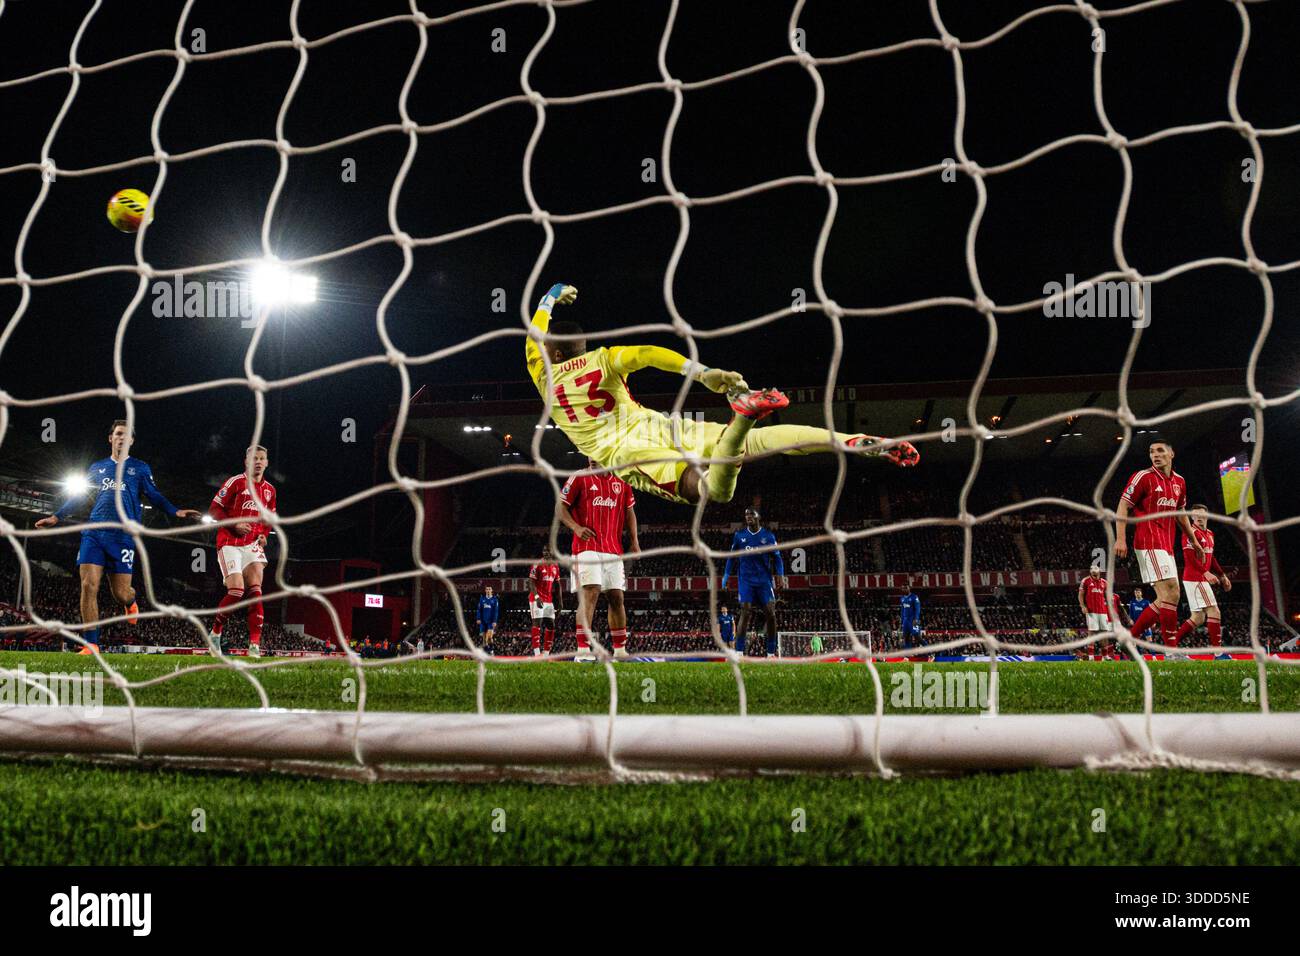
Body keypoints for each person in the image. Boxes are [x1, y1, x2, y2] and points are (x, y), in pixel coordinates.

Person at [523, 283, 918, 507]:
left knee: (714, 492)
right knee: (758, 445)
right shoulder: (604, 358)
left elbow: (533, 332)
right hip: (659, 424)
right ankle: (846, 441)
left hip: (626, 452)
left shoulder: (542, 374)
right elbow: (646, 355)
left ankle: (743, 416)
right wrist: (703, 373)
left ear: (554, 354)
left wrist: (550, 297)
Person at [35, 419, 200, 655]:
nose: (122, 438)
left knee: (121, 594)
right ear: (111, 438)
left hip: (123, 537)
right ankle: (91, 644)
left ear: (132, 441)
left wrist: (175, 511)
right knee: (88, 585)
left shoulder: (140, 468)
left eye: (127, 435)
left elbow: (154, 495)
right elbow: (80, 497)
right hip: (94, 533)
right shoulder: (98, 467)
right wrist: (57, 516)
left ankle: (131, 604)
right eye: (118, 433)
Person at [1114, 440, 1204, 647]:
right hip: (1147, 541)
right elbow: (1123, 505)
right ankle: (1171, 651)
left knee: (1167, 596)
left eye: (1160, 451)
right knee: (1172, 590)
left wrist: (1194, 541)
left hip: (1166, 545)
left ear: (1171, 454)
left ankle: (1128, 640)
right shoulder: (1143, 477)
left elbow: (1181, 514)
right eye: (1151, 451)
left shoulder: (1180, 482)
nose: (1155, 454)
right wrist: (1120, 538)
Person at [558, 461, 639, 661]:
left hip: (613, 549)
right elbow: (560, 507)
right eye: (589, 454)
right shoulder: (579, 476)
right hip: (586, 547)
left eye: (598, 454)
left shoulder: (622, 480)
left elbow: (629, 512)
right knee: (591, 592)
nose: (592, 458)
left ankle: (620, 650)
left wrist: (635, 541)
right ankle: (583, 650)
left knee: (616, 597)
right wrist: (576, 528)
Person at [207, 445, 277, 657]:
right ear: (246, 462)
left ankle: (254, 645)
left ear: (266, 462)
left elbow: (268, 519)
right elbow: (214, 509)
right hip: (229, 542)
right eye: (253, 458)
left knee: (256, 592)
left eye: (261, 458)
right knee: (236, 591)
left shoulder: (270, 491)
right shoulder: (235, 482)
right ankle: (215, 633)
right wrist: (234, 524)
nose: (257, 461)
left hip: (252, 544)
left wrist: (265, 533)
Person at [722, 507, 786, 657]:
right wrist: (726, 575)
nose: (748, 516)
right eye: (746, 514)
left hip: (764, 581)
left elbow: (777, 558)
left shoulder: (768, 537)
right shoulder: (739, 536)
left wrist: (780, 576)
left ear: (758, 517)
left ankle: (771, 653)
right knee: (745, 611)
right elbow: (731, 557)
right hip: (746, 580)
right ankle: (738, 652)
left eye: (751, 514)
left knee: (771, 613)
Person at [1169, 504, 1232, 654]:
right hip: (1195, 578)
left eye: (1202, 515)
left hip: (1198, 578)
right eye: (1196, 515)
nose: (1199, 518)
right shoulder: (1189, 532)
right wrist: (1205, 573)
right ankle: (1218, 654)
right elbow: (1189, 557)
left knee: (1197, 618)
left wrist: (1222, 575)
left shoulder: (1210, 533)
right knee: (1214, 611)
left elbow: (1211, 557)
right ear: (1191, 517)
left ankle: (1170, 648)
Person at [528, 544, 563, 656]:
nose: (546, 553)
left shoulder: (555, 566)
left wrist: (560, 602)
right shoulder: (537, 564)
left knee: (551, 625)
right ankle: (537, 654)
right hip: (536, 598)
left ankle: (546, 653)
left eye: (548, 551)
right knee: (537, 623)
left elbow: (558, 586)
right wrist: (537, 597)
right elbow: (531, 582)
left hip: (548, 600)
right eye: (544, 551)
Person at [900, 581, 922, 653]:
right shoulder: (902, 598)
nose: (904, 589)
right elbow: (902, 610)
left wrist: (916, 619)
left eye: (906, 588)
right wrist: (902, 621)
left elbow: (918, 609)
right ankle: (907, 657)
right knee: (906, 638)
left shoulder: (914, 597)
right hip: (905, 621)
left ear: (909, 588)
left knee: (917, 637)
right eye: (903, 588)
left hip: (913, 620)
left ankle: (931, 654)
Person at [476, 586, 499, 654]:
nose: (488, 590)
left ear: (492, 590)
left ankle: (491, 649)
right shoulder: (482, 599)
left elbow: (496, 611)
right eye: (487, 589)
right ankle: (487, 652)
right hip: (483, 621)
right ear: (485, 590)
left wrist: (494, 621)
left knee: (489, 637)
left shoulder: (495, 600)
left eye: (489, 589)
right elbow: (479, 610)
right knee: (484, 639)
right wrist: (478, 618)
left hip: (491, 621)